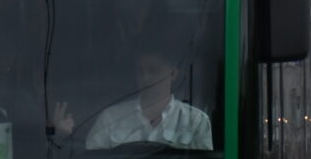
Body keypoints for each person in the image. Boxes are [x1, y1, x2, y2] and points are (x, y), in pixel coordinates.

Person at [54, 51, 214, 151]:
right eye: (140, 71)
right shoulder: (110, 118)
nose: (145, 78)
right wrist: (63, 137)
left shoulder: (196, 121)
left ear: (173, 73)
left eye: (153, 70)